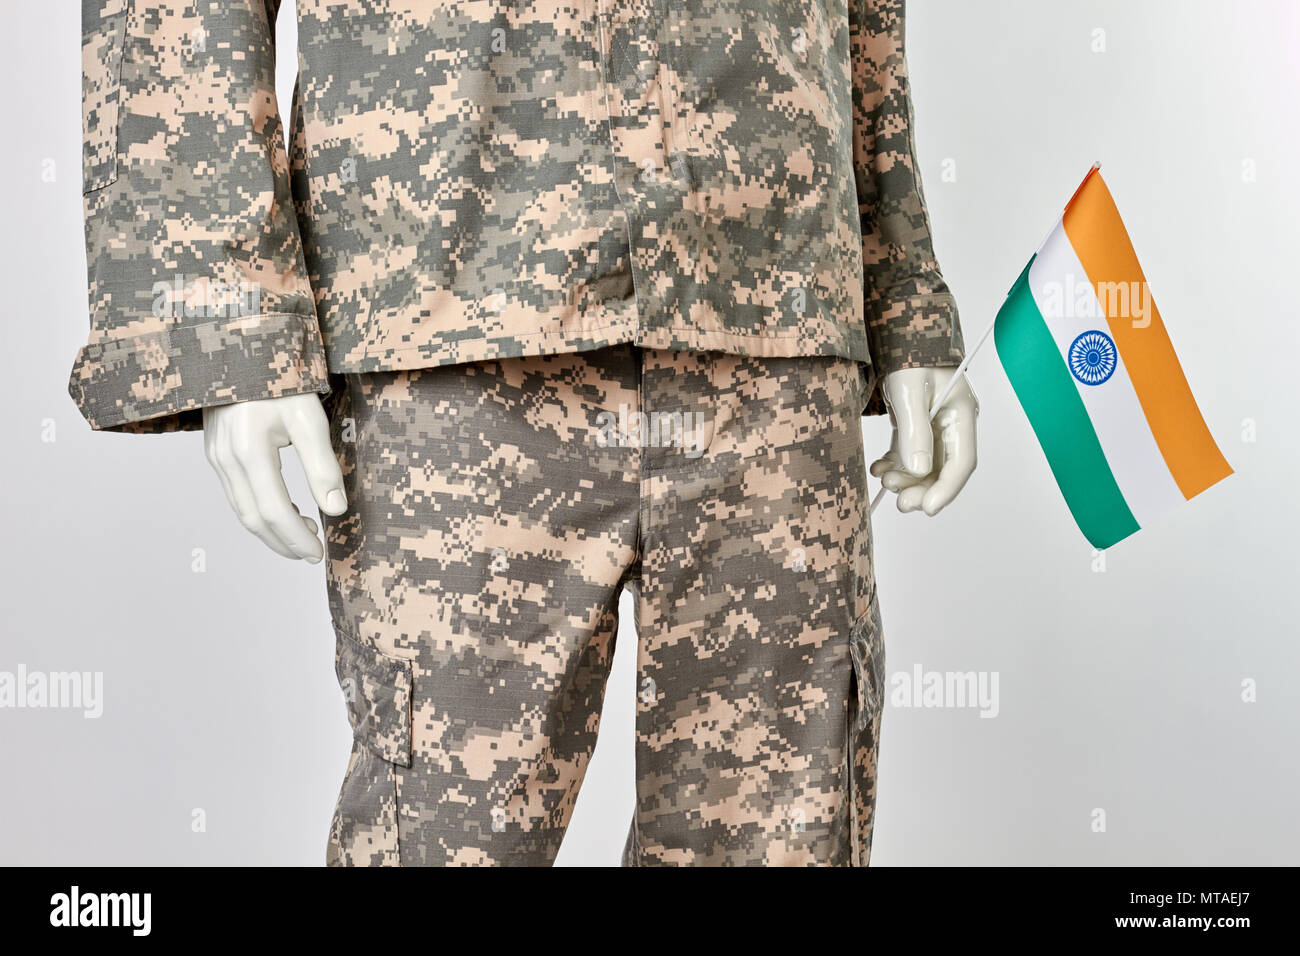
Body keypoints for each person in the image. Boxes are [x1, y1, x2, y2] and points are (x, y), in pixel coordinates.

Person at [71, 0, 977, 866]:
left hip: (774, 306)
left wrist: (901, 295)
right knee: (440, 838)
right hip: (455, 315)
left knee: (784, 839)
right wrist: (222, 318)